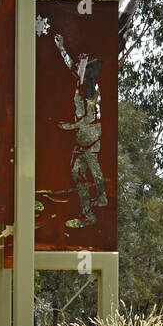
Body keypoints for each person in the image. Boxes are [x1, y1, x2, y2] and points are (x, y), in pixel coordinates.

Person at [53, 33, 106, 226]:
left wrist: (69, 126)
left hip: (89, 138)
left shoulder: (92, 89)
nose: (79, 68)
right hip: (82, 140)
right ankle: (87, 210)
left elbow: (88, 118)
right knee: (78, 173)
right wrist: (61, 48)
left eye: (84, 65)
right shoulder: (80, 85)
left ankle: (100, 201)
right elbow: (72, 67)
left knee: (95, 172)